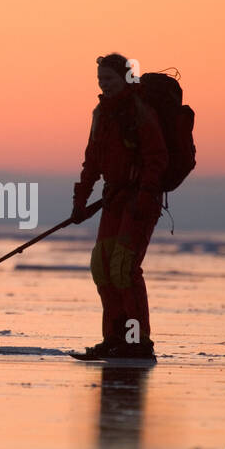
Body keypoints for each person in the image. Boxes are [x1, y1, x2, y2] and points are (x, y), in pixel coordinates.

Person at [72, 54, 166, 361]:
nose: (103, 84)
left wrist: (144, 196)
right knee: (102, 267)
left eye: (108, 79)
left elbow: (156, 159)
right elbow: (92, 162)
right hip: (114, 201)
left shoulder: (140, 111)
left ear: (125, 78)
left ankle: (138, 341)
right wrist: (80, 202)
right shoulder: (101, 113)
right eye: (100, 80)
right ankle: (114, 338)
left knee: (124, 267)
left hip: (140, 201)